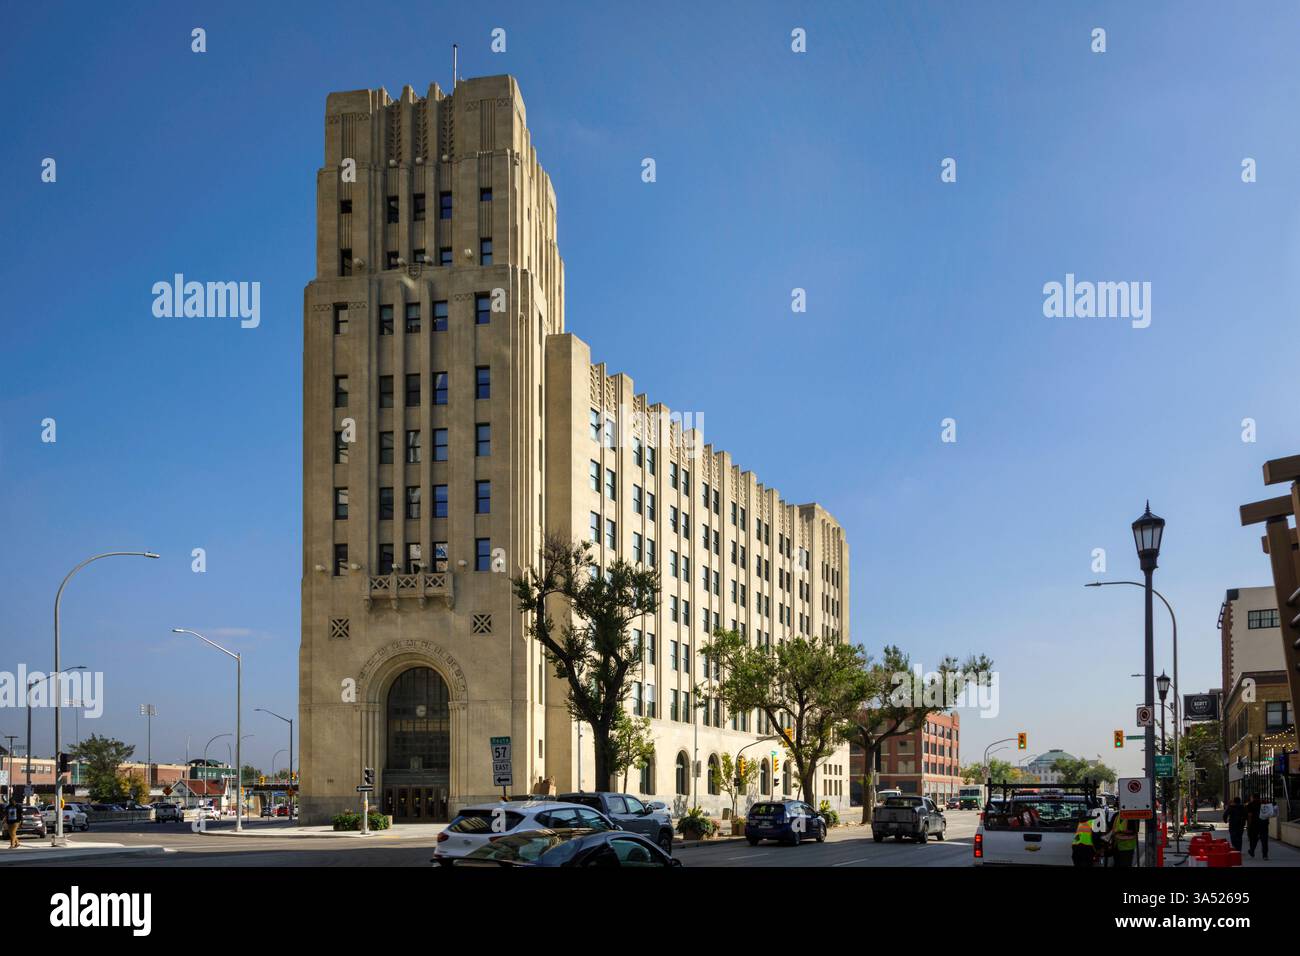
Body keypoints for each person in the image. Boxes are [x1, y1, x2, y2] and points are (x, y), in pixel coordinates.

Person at [1246, 795, 1270, 860]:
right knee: (1264, 840)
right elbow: (1268, 814)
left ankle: (1252, 851)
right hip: (1264, 823)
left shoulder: (1250, 805)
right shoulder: (1264, 803)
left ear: (1252, 798)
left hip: (1254, 824)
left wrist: (1249, 826)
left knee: (1254, 839)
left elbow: (1250, 816)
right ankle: (1265, 855)